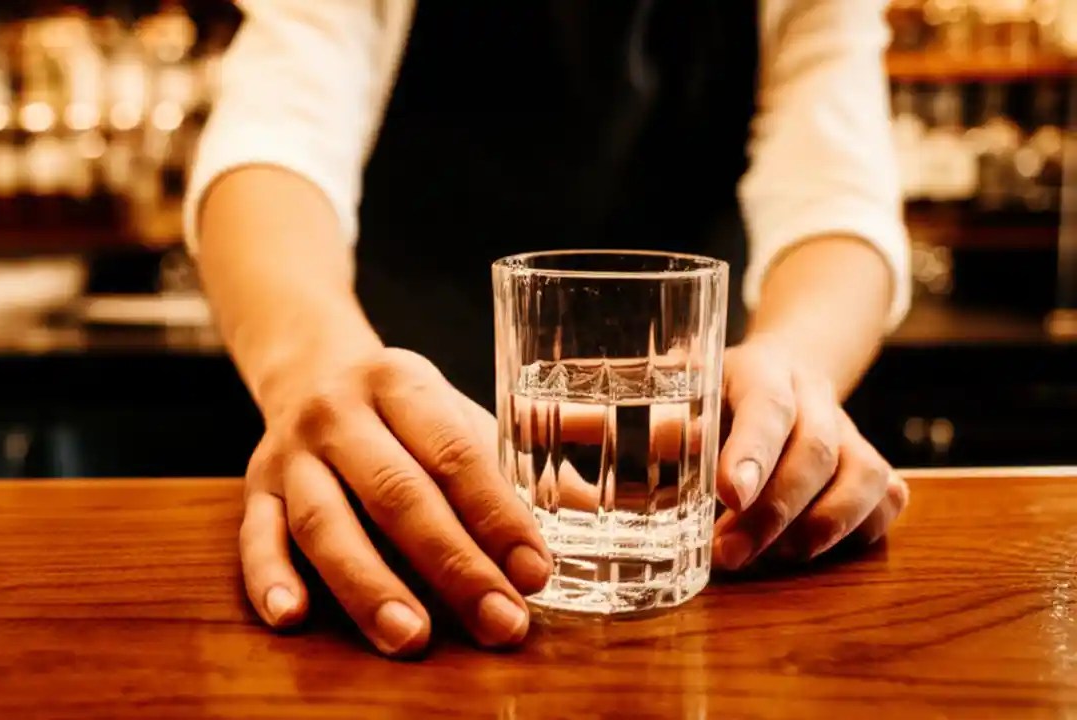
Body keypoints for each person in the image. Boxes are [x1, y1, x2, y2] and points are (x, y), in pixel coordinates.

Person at [187, 0, 913, 658]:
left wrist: (790, 376)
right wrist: (317, 374)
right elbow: (274, 136)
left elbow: (838, 193)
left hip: (683, 467)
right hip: (389, 441)